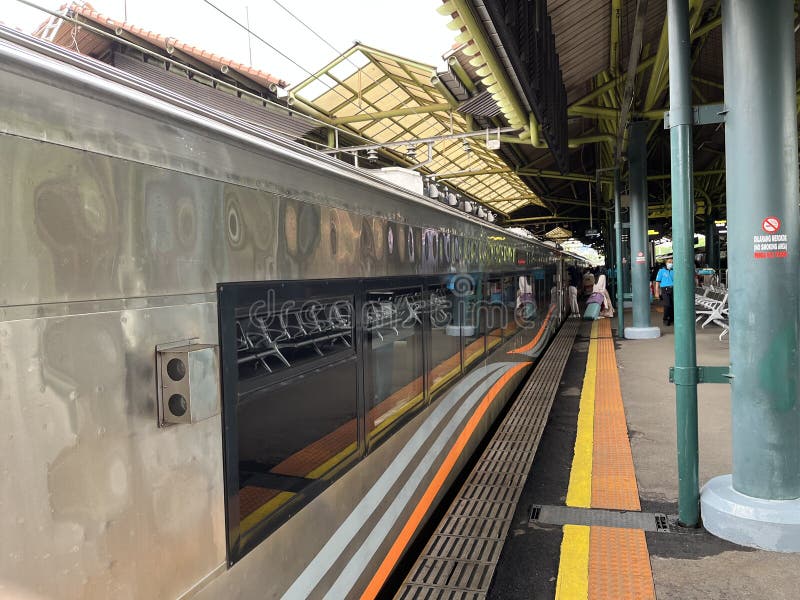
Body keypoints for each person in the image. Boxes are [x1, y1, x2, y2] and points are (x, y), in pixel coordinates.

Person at [654, 259, 675, 326]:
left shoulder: (674, 271)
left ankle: (672, 319)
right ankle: (665, 319)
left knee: (673, 305)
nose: (671, 263)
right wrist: (656, 292)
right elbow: (657, 282)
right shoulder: (661, 271)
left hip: (674, 289)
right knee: (667, 305)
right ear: (666, 263)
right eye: (669, 262)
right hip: (665, 289)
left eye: (672, 262)